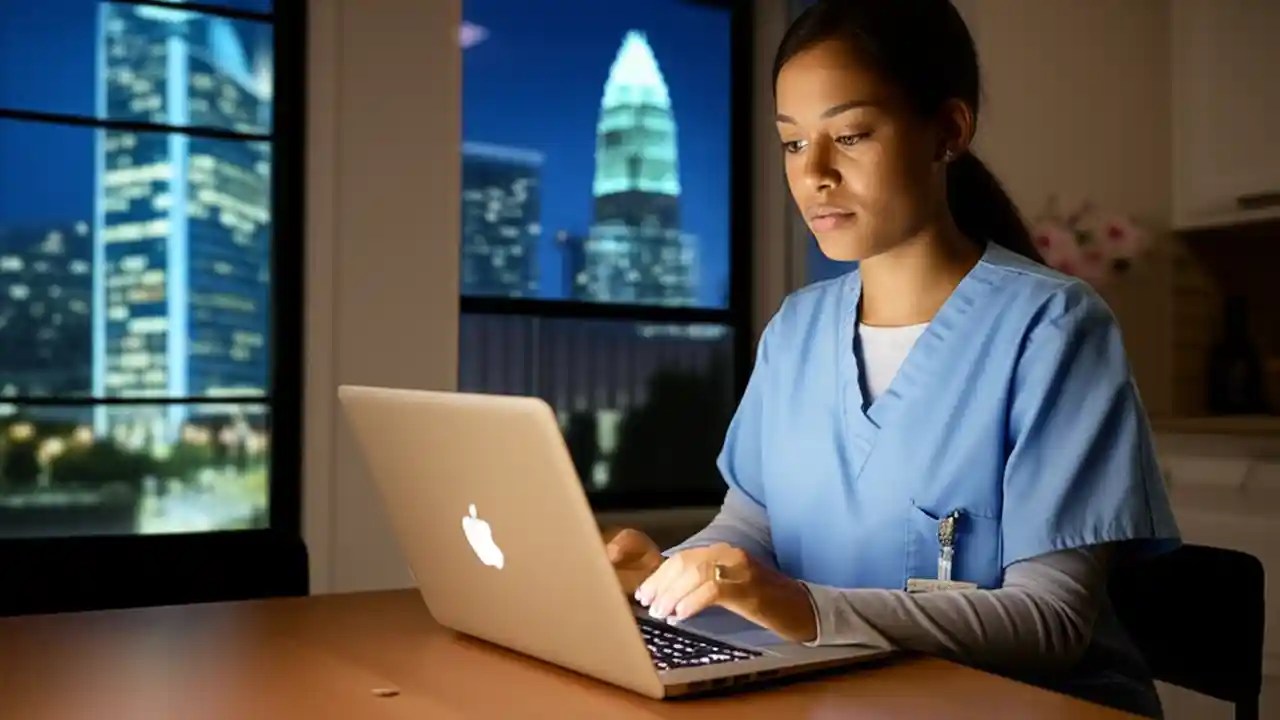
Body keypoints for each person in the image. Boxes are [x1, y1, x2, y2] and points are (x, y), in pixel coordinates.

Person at [602, 0, 1180, 717]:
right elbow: (752, 526)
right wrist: (663, 571)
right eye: (790, 143)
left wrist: (806, 609)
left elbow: (1051, 621)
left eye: (850, 135)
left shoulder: (1052, 328)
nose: (813, 173)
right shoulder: (796, 331)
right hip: (841, 697)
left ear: (948, 132)